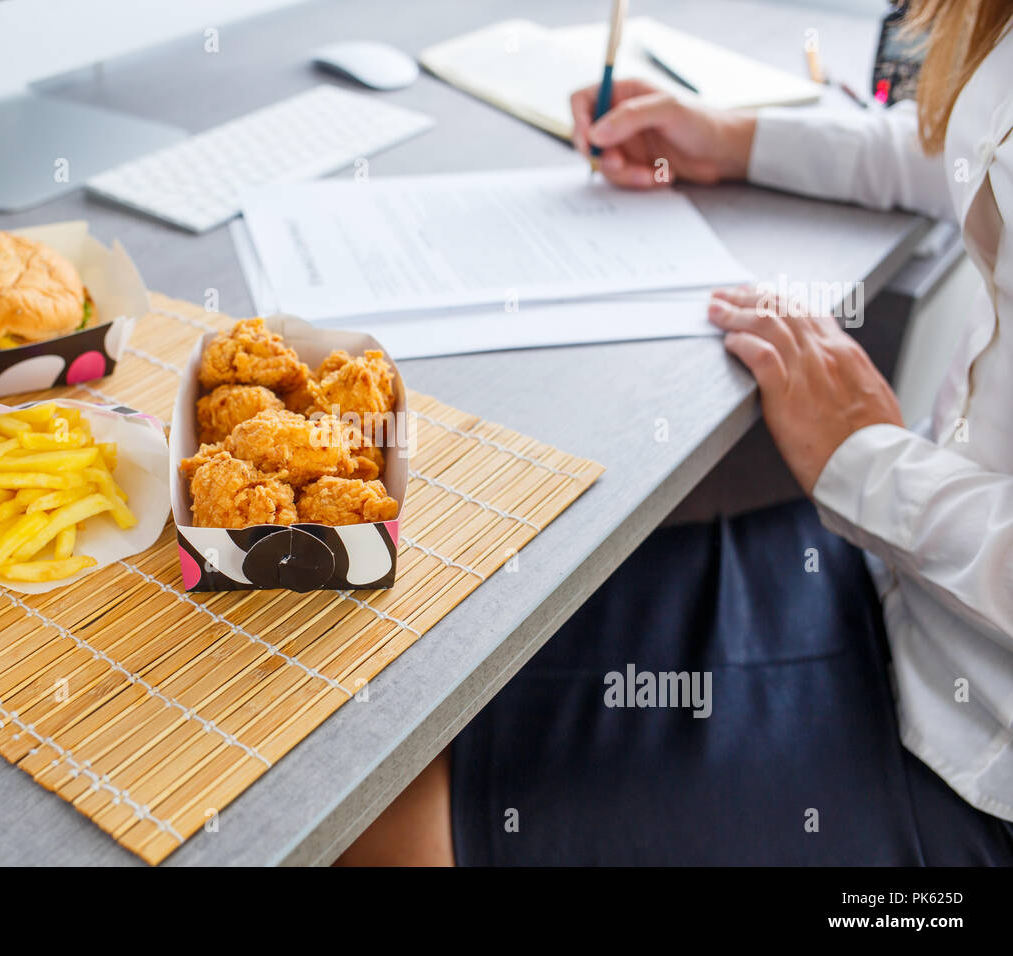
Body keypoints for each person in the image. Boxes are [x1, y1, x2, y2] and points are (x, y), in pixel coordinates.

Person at [337, 0, 1013, 866]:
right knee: (410, 668)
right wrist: (731, 141)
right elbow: (972, 150)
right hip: (905, 584)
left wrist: (869, 463)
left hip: (968, 769)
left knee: (381, 817)